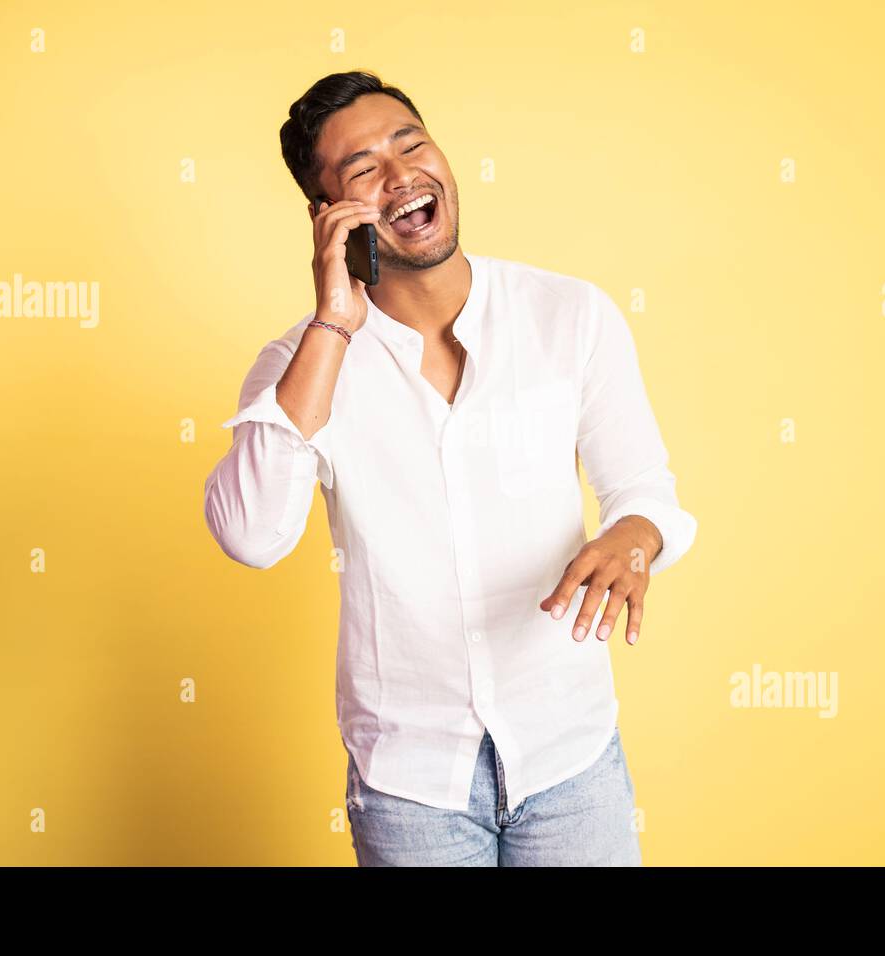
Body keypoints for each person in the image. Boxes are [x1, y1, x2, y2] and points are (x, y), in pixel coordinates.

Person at [203, 71, 697, 866]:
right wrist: (334, 323)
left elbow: (645, 493)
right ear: (325, 216)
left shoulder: (569, 316)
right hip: (410, 788)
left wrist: (634, 538)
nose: (401, 175)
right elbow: (253, 535)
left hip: (571, 762)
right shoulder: (301, 365)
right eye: (363, 170)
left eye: (412, 144)